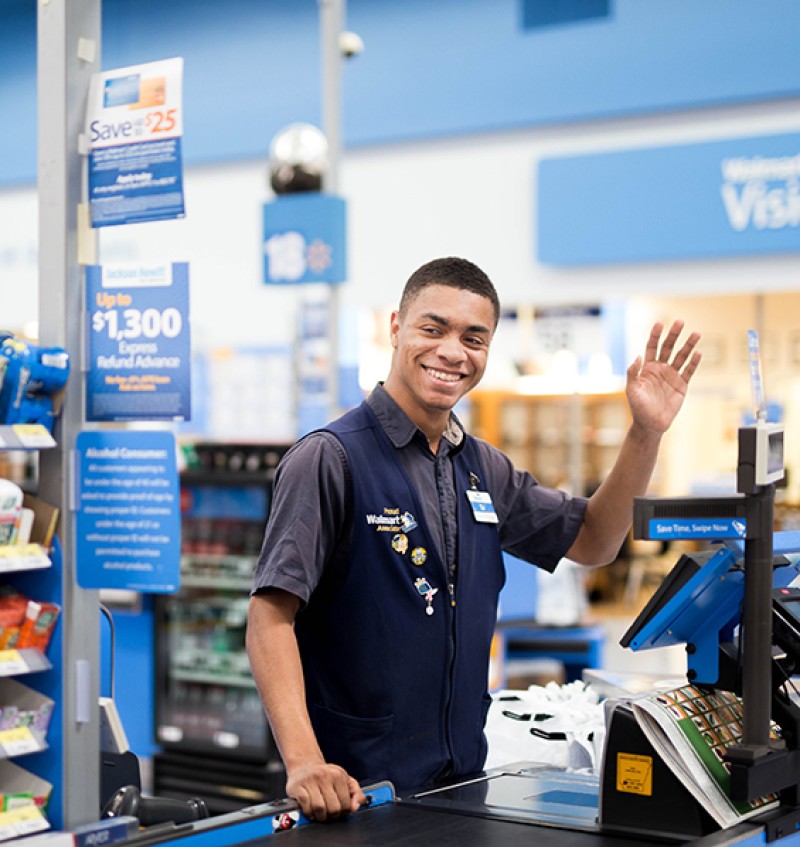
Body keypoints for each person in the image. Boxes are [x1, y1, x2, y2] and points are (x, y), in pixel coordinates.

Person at [246, 256, 701, 821]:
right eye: (432, 329)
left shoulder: (483, 468)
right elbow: (270, 616)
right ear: (395, 328)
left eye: (473, 337)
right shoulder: (330, 458)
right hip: (353, 793)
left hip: (459, 788)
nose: (452, 351)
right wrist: (305, 762)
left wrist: (645, 432)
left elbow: (593, 541)